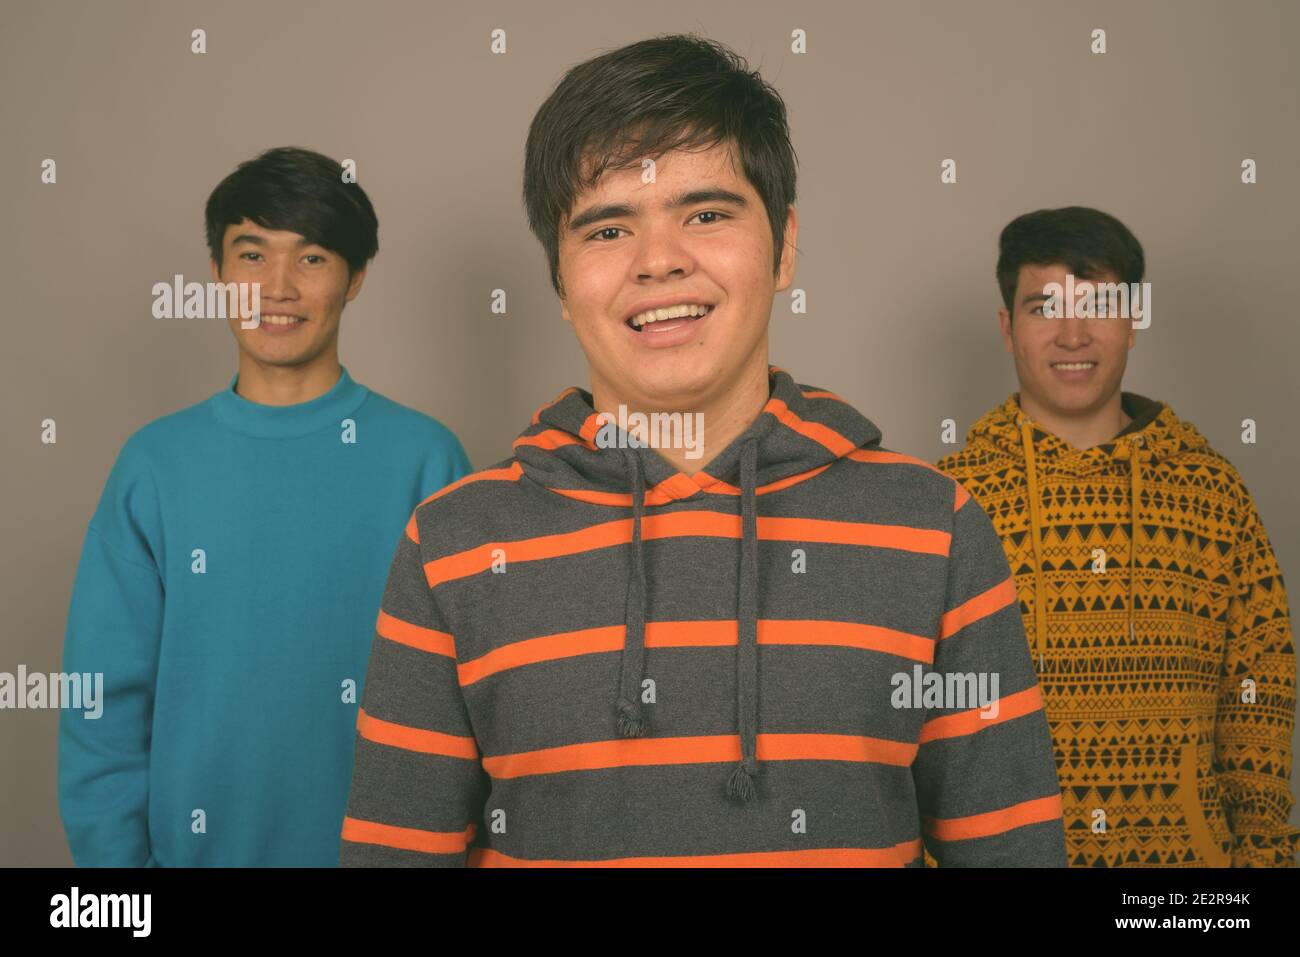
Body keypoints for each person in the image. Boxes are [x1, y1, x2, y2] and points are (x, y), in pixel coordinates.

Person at [340, 35, 1065, 867]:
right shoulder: (453, 547)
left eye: (707, 214)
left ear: (784, 245)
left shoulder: (934, 527)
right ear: (560, 282)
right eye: (608, 229)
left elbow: (1015, 852)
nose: (660, 261)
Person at [58, 146, 472, 866]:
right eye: (251, 254)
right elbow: (102, 707)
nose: (275, 286)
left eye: (311, 258)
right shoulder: (153, 466)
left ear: (355, 278)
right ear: (218, 273)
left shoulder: (427, 461)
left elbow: (479, 700)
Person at [937, 206, 1297, 866]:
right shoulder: (949, 503)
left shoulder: (1213, 493)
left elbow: (1260, 691)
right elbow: (910, 714)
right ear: (1007, 329)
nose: (1072, 335)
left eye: (1098, 303)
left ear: (1133, 322)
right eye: (1044, 306)